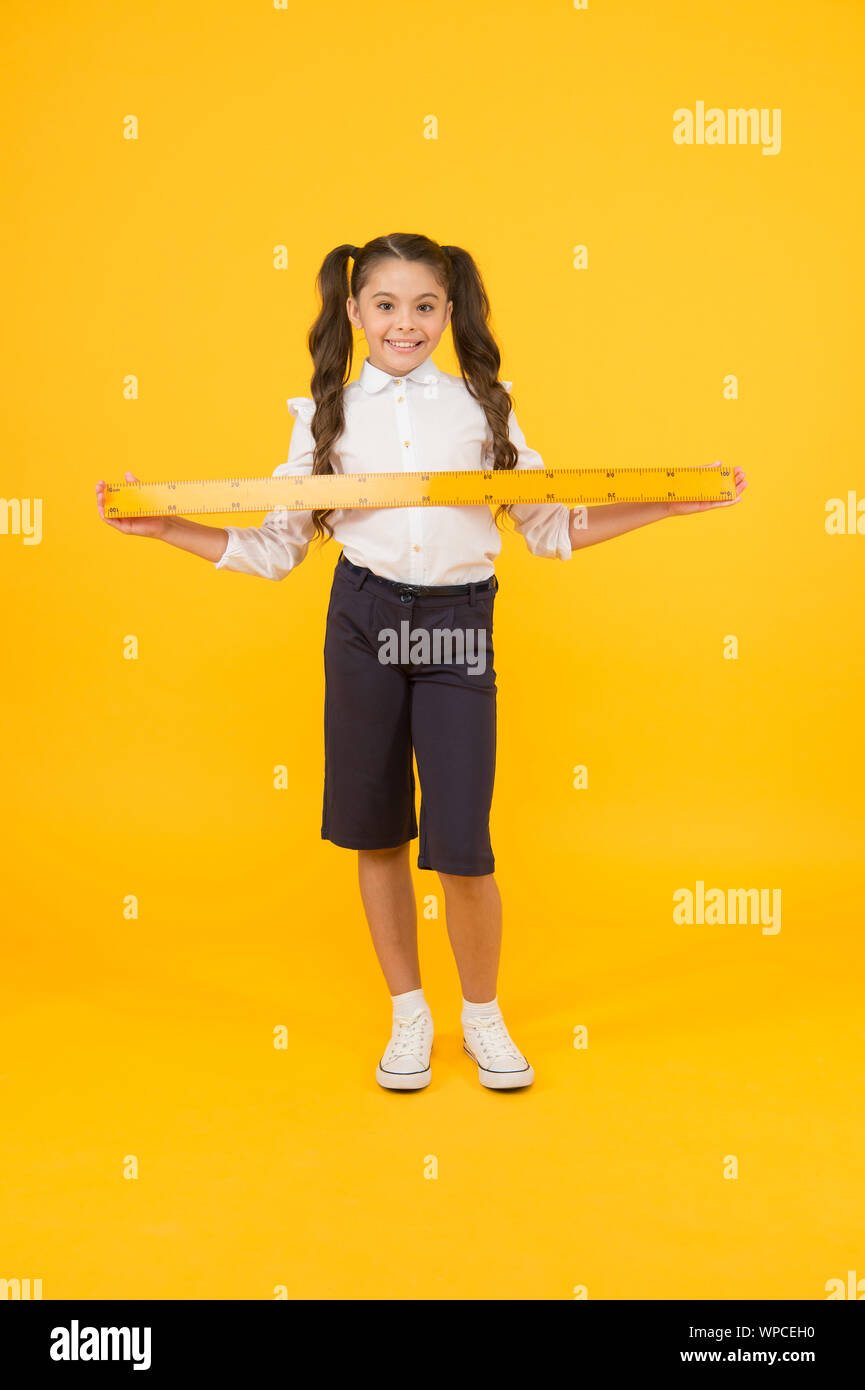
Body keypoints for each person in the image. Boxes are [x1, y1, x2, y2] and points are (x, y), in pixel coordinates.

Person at [95, 232, 747, 1093]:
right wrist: (164, 525)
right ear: (356, 312)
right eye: (387, 305)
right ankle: (410, 1016)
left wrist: (672, 501)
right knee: (375, 829)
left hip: (452, 627)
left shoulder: (484, 407)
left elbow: (552, 527)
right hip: (361, 620)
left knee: (462, 840)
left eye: (425, 306)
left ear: (450, 312)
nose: (406, 323)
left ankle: (482, 1017)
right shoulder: (323, 413)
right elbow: (273, 550)